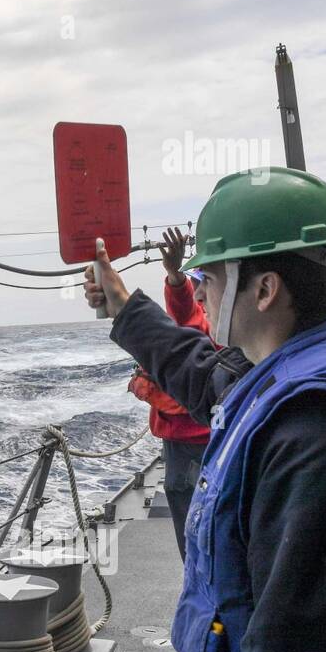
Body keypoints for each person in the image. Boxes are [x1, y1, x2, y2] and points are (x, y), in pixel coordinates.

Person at [84, 167, 326, 652]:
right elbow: (198, 372)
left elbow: (293, 650)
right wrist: (123, 305)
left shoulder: (309, 429)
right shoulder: (280, 365)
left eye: (210, 278)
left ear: (264, 290)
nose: (197, 290)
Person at [129, 227, 211, 562]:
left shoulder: (210, 332)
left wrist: (176, 276)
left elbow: (188, 328)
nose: (202, 293)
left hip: (189, 439)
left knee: (193, 523)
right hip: (197, 437)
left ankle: (205, 597)